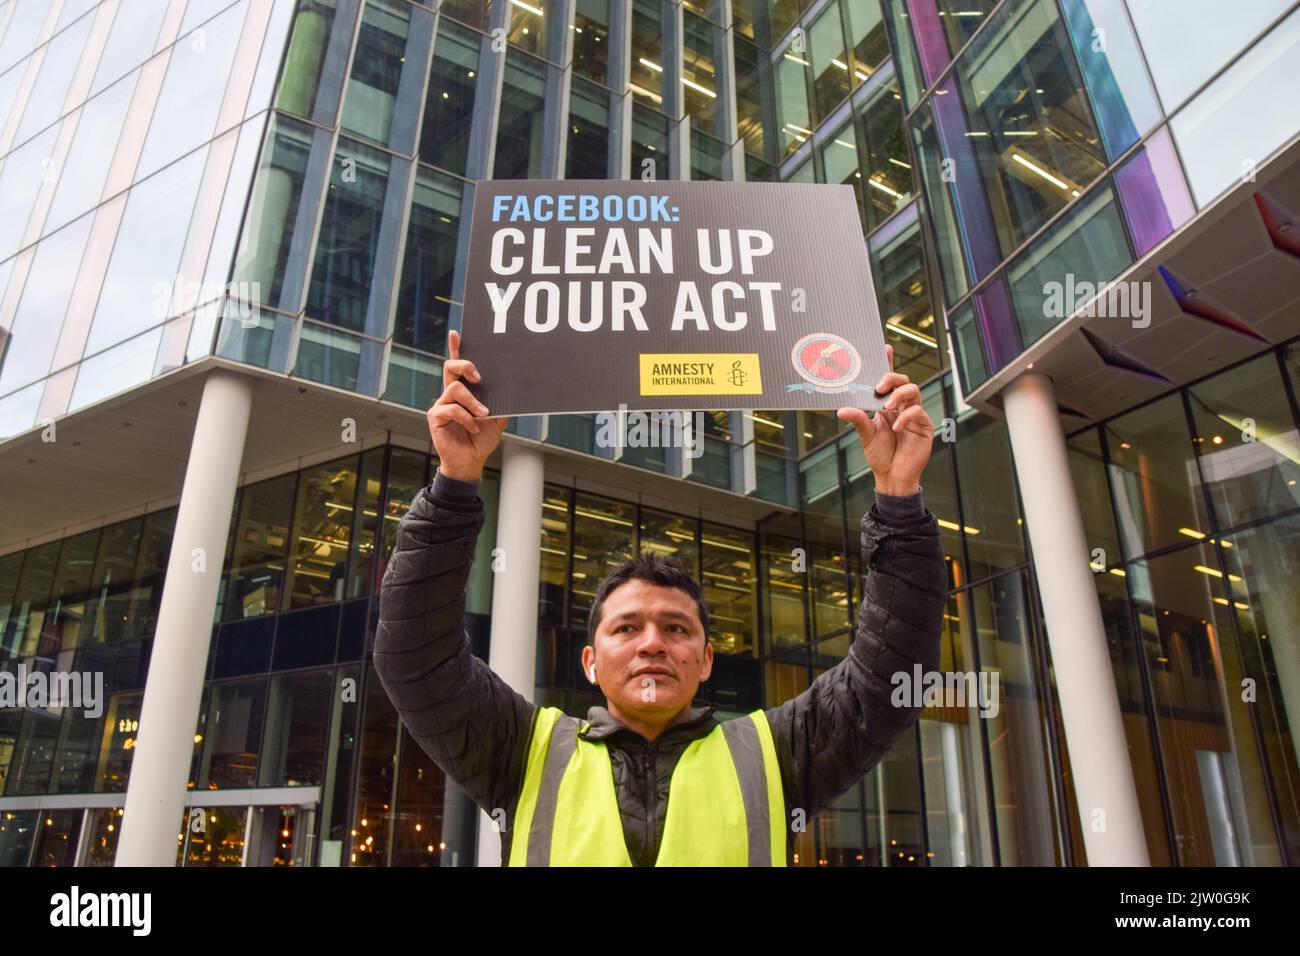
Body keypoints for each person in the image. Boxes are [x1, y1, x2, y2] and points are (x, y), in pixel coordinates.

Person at [374, 329, 945, 866]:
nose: (652, 643)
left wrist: (899, 498)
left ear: (706, 661)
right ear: (590, 663)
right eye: (626, 628)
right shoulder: (521, 753)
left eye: (676, 629)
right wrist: (455, 481)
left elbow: (889, 676)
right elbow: (416, 661)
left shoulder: (778, 754)